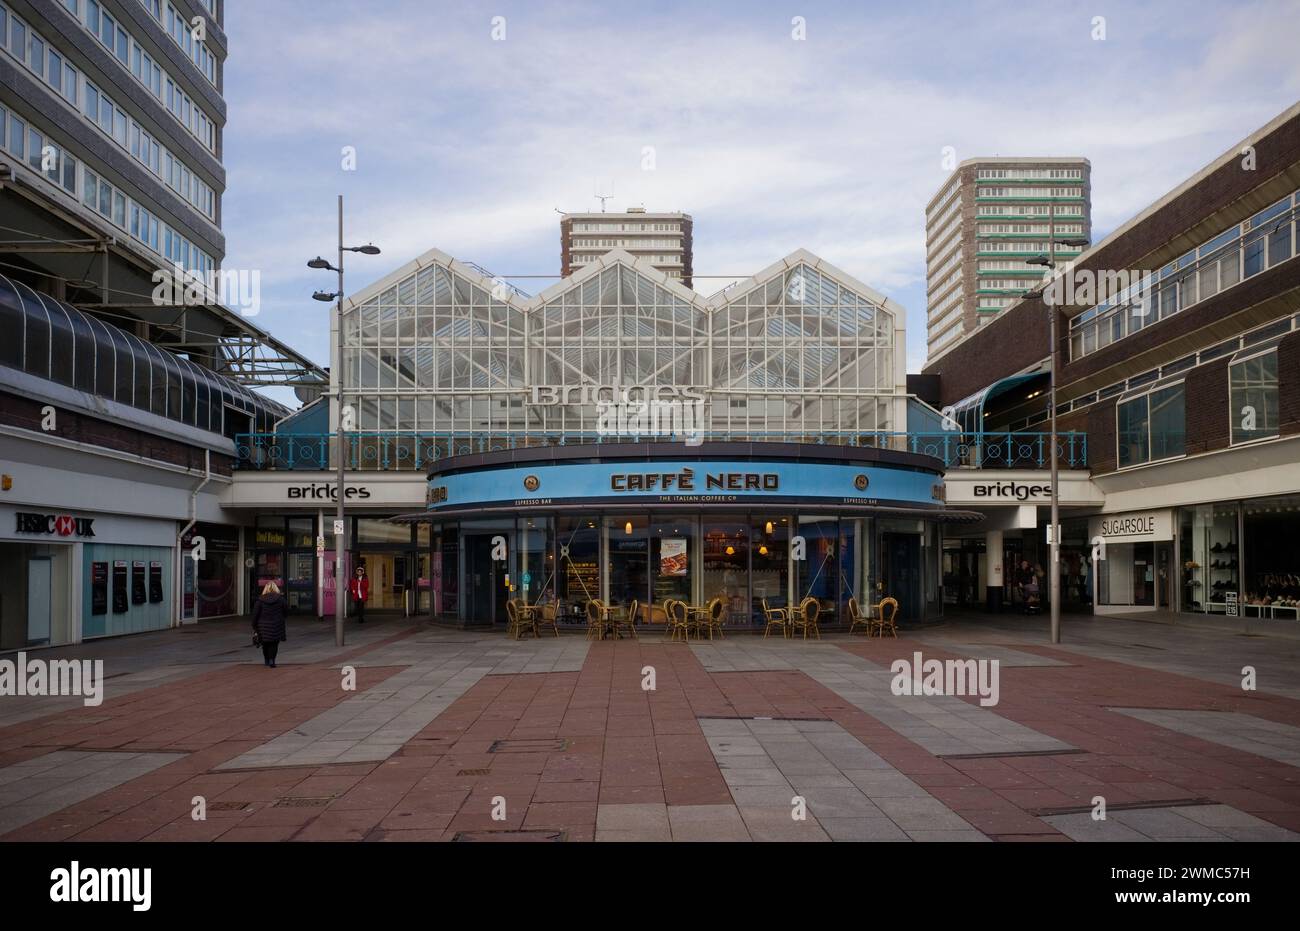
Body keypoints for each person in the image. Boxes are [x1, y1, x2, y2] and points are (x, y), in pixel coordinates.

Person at [252, 582, 287, 667]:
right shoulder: (281, 599)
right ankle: (272, 660)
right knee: (274, 643)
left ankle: (267, 660)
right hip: (276, 624)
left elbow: (255, 614)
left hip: (263, 626)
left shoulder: (260, 600)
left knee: (265, 644)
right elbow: (285, 612)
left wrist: (254, 625)